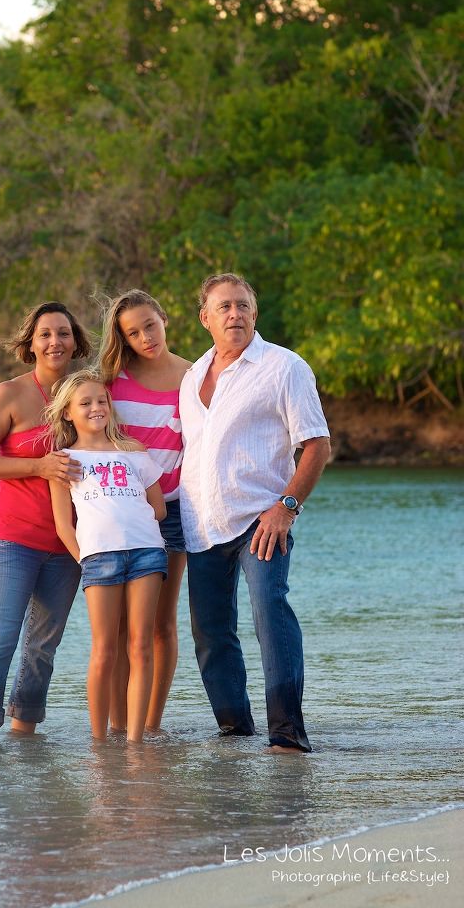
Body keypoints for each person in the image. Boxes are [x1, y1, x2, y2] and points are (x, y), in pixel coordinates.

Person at [179, 273, 331, 753]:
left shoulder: (283, 367)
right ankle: (234, 734)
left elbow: (317, 444)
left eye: (243, 305)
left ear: (255, 313)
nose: (234, 315)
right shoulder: (190, 377)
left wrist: (286, 508)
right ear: (205, 318)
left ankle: (287, 734)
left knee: (271, 616)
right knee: (211, 634)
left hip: (260, 522)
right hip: (200, 524)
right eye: (223, 307)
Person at [0, 301, 93, 745]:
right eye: (45, 334)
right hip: (11, 537)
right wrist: (38, 467)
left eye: (63, 333)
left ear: (76, 342)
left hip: (69, 542)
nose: (55, 341)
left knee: (42, 648)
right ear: (31, 343)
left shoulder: (90, 395)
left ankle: (23, 743)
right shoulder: (9, 394)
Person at [45, 369, 167, 743]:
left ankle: (134, 742)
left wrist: (132, 521)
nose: (96, 407)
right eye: (85, 403)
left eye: (102, 400)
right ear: (68, 412)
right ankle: (98, 742)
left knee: (141, 645)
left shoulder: (134, 452)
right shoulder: (63, 460)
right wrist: (86, 558)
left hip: (147, 553)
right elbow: (64, 525)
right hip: (99, 559)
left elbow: (158, 508)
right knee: (104, 649)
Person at [98, 290, 190, 733]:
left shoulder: (195, 377)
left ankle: (151, 728)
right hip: (117, 514)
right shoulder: (112, 381)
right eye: (132, 333)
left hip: (172, 512)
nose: (144, 337)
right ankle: (118, 731)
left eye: (149, 325)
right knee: (115, 631)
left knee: (160, 625)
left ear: (164, 318)